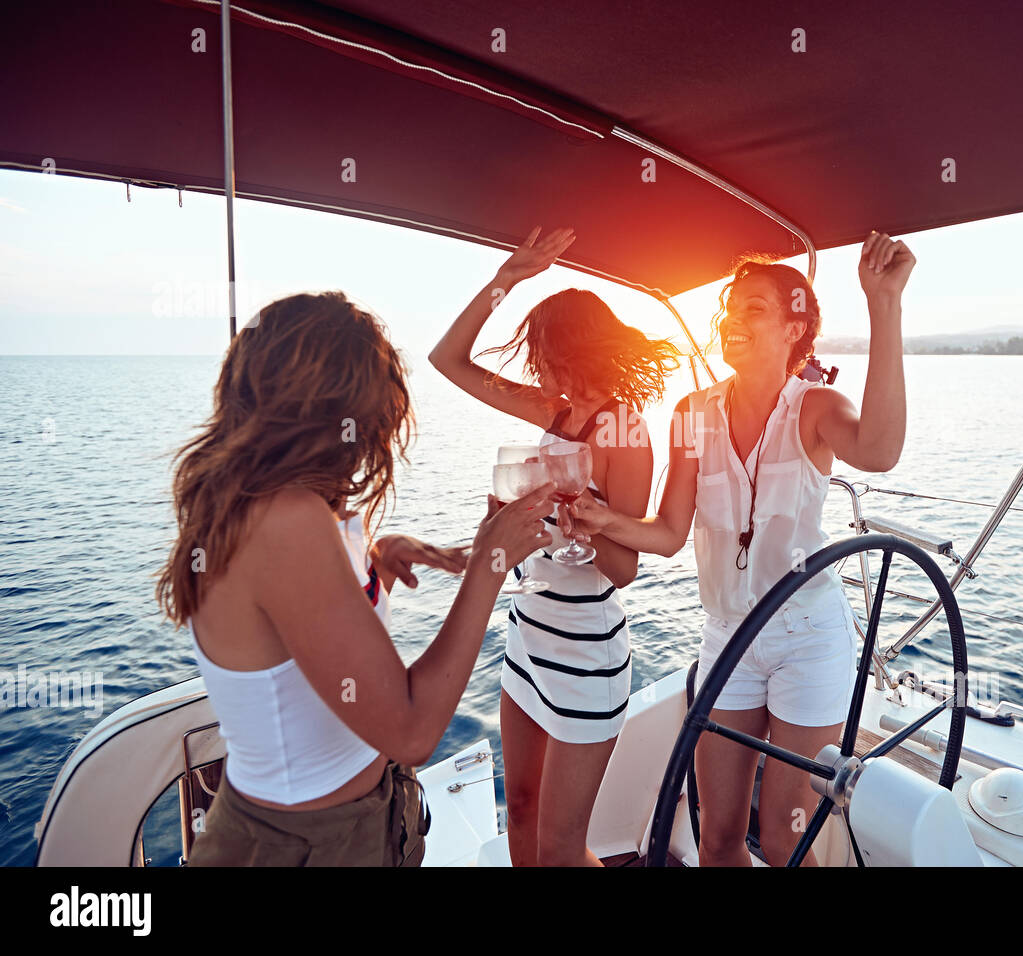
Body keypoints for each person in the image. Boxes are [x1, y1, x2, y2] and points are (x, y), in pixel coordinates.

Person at [156, 291, 552, 866]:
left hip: (345, 825)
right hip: (304, 845)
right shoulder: (283, 520)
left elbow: (303, 646)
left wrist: (379, 561)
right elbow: (412, 732)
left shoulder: (277, 504)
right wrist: (492, 563)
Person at [566, 231, 914, 866]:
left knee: (783, 838)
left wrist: (883, 303)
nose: (733, 319)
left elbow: (882, 450)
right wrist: (601, 517)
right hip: (727, 635)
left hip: (807, 638)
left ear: (794, 327)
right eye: (729, 308)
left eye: (754, 308)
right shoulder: (693, 413)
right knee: (717, 836)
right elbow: (669, 534)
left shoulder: (816, 409)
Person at [430, 227, 677, 866]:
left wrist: (588, 524)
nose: (535, 364)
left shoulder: (624, 430)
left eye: (543, 349)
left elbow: (624, 570)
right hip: (527, 634)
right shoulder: (555, 411)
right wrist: (506, 279)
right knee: (521, 811)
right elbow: (446, 361)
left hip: (587, 656)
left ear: (575, 347)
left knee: (564, 846)